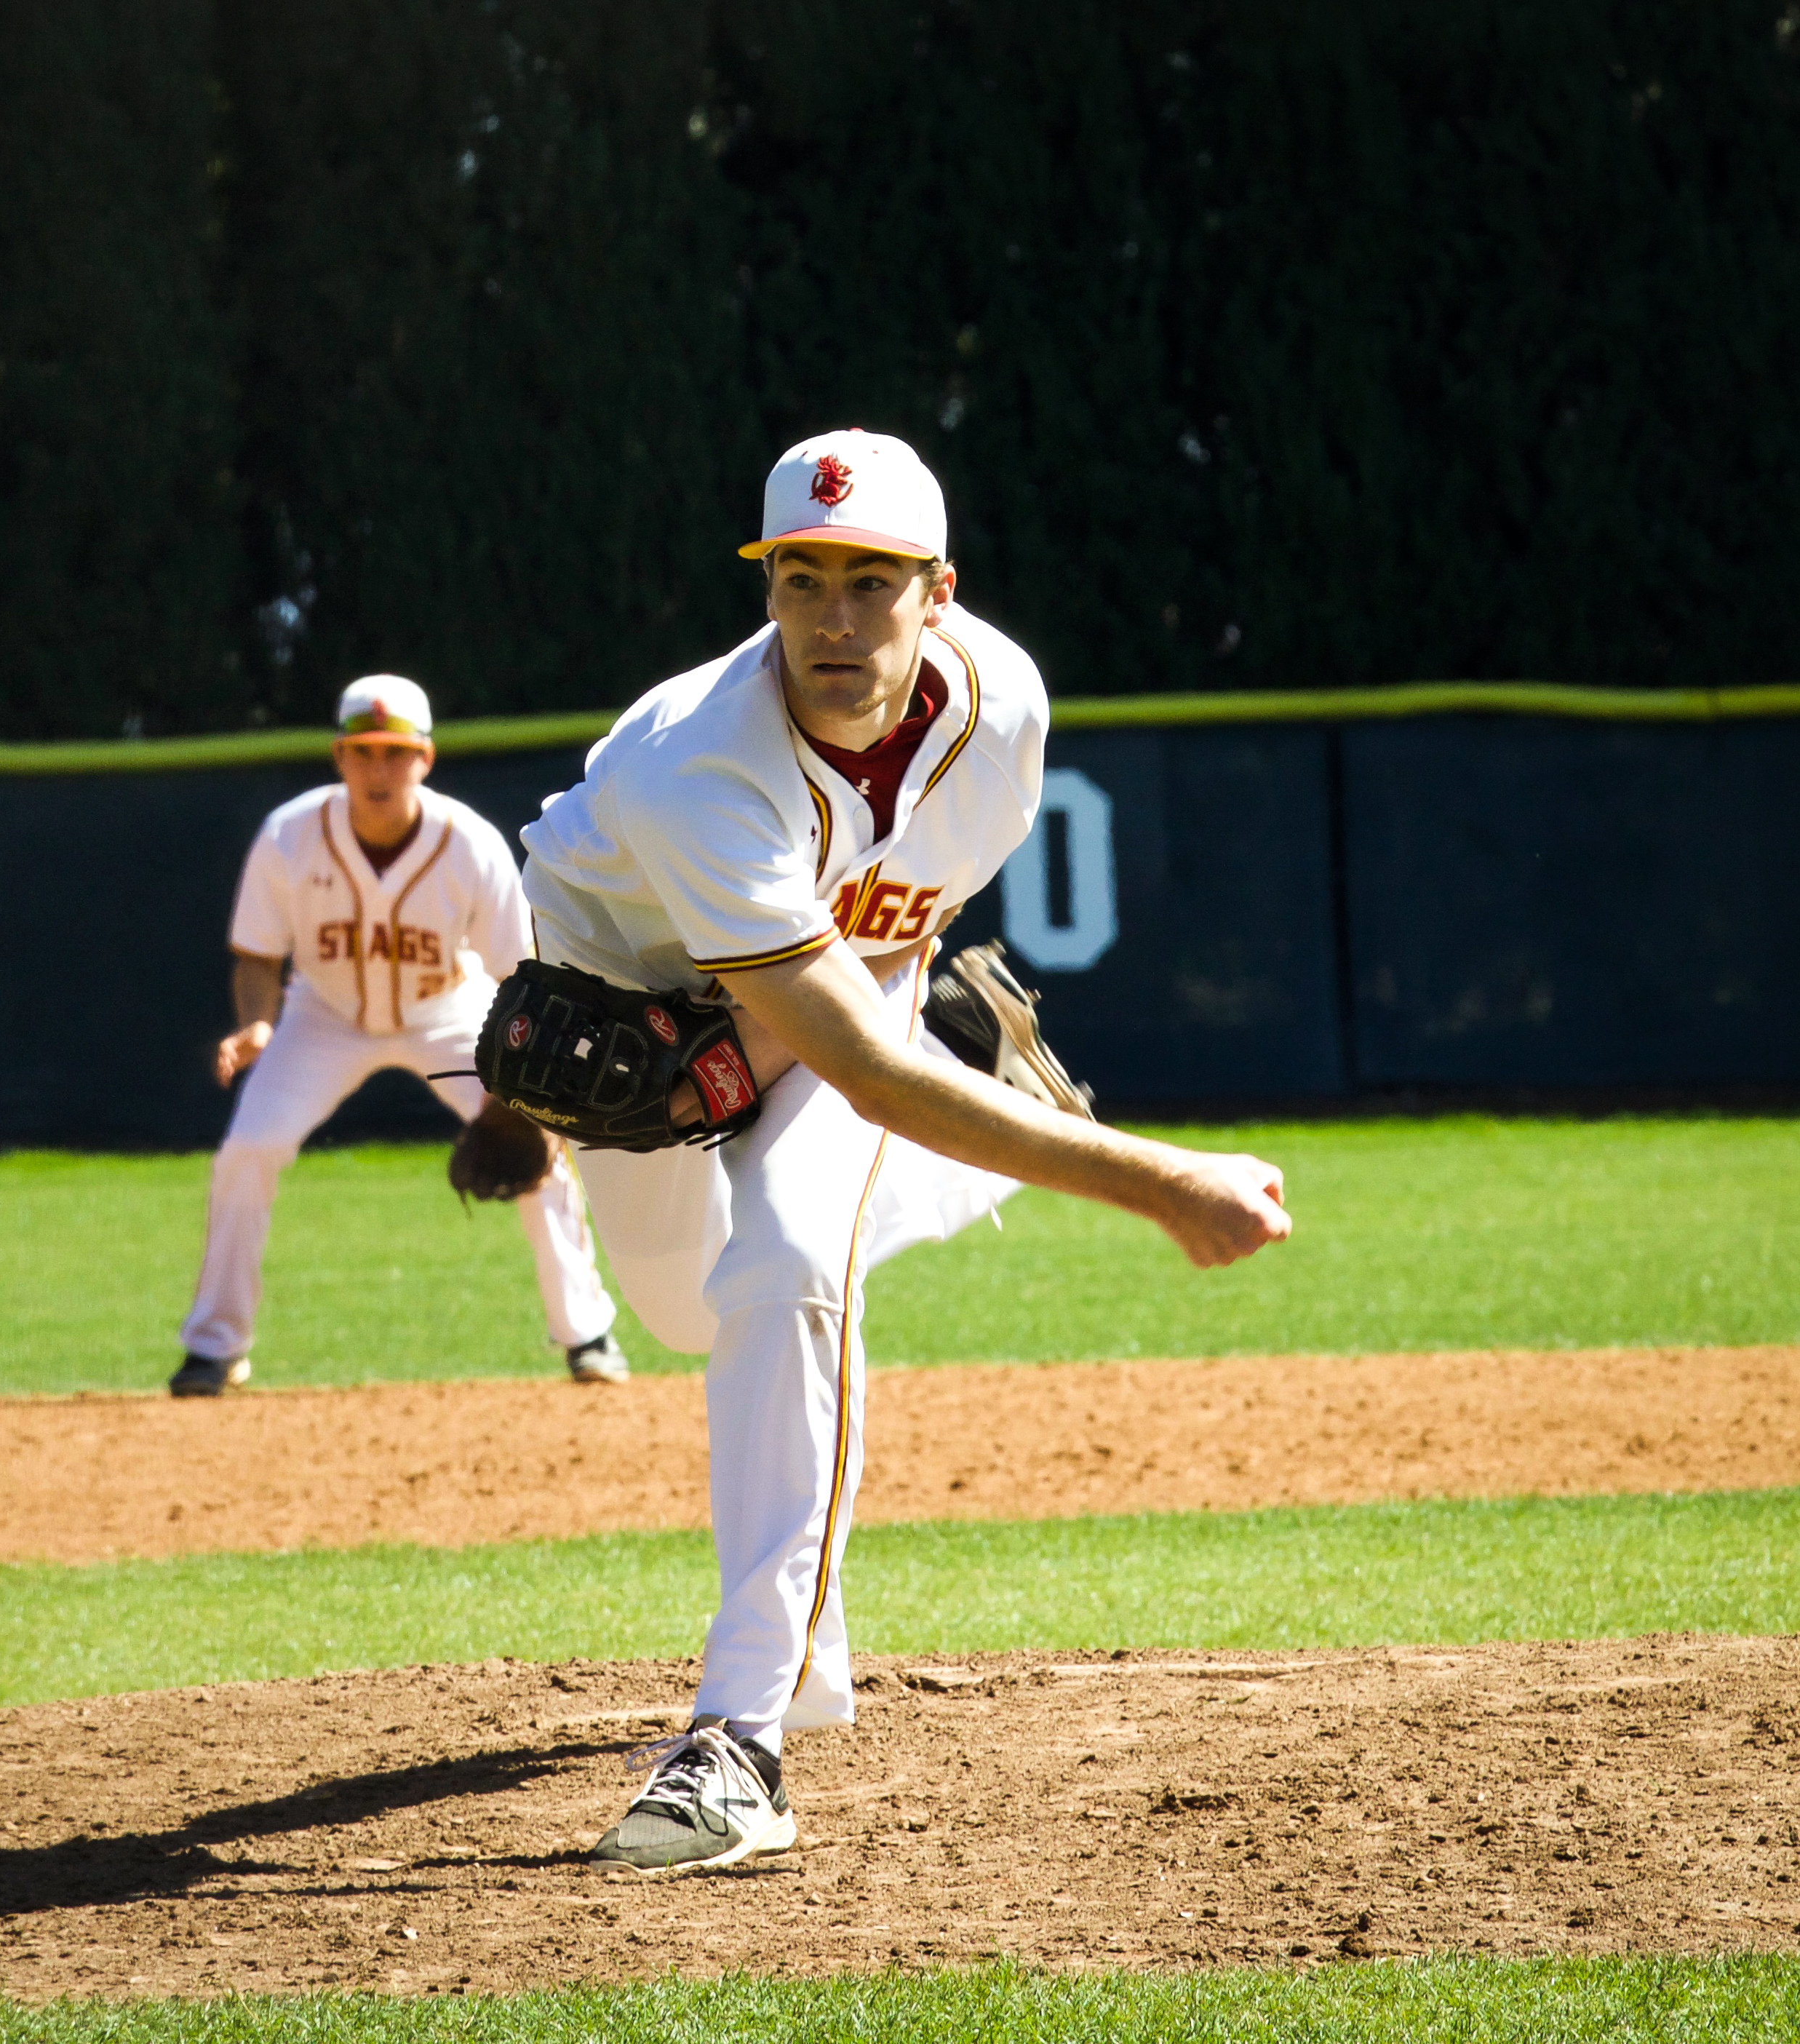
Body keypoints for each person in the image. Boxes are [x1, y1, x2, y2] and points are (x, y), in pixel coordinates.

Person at [515, 429, 1292, 1872]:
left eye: (872, 582)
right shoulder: (700, 769)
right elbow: (874, 1068)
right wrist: (1155, 1174)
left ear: (940, 591)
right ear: (768, 592)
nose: (835, 618)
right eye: (800, 578)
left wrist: (846, 1028)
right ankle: (992, 1128)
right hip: (628, 1014)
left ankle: (741, 1737)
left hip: (822, 997)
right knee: (691, 1306)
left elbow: (887, 941)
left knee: (790, 1265)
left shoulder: (1003, 715)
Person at [172, 676, 626, 1396]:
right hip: (321, 1015)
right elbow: (258, 953)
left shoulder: (469, 845)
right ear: (339, 755)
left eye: (394, 752)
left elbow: (519, 975)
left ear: (424, 758)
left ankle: (587, 1334)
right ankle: (214, 1347)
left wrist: (519, 1085)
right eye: (362, 752)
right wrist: (257, 1022)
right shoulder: (290, 835)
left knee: (539, 1146)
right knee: (246, 1151)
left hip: (449, 1010)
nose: (377, 769)